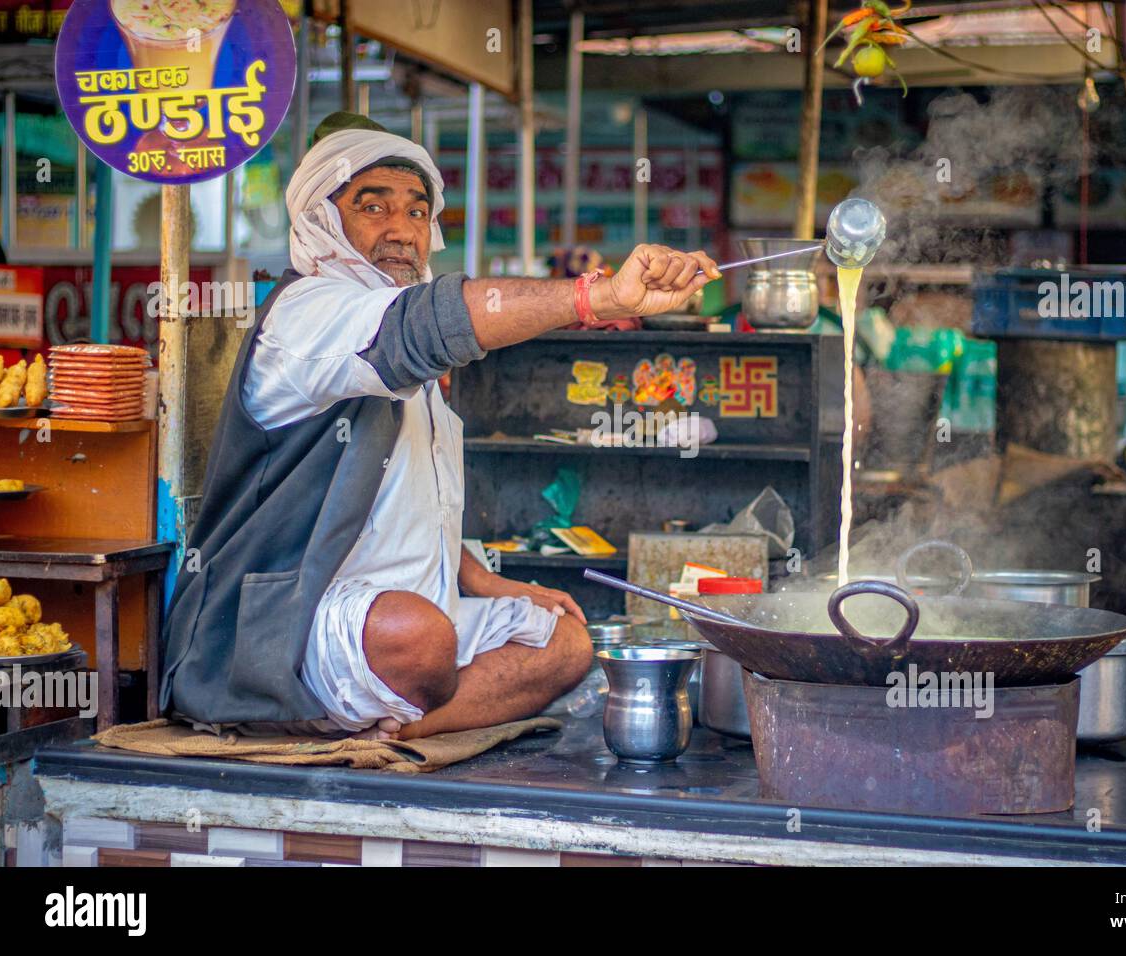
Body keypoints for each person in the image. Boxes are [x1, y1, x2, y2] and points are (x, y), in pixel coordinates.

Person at [160, 112, 720, 740]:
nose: (402, 231)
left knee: (566, 643)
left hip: (416, 610)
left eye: (418, 212)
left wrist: (481, 579)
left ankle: (402, 730)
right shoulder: (309, 313)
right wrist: (598, 300)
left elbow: (408, 498)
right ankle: (363, 709)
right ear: (321, 218)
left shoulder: (395, 329)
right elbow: (426, 324)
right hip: (288, 623)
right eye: (373, 208)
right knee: (420, 638)